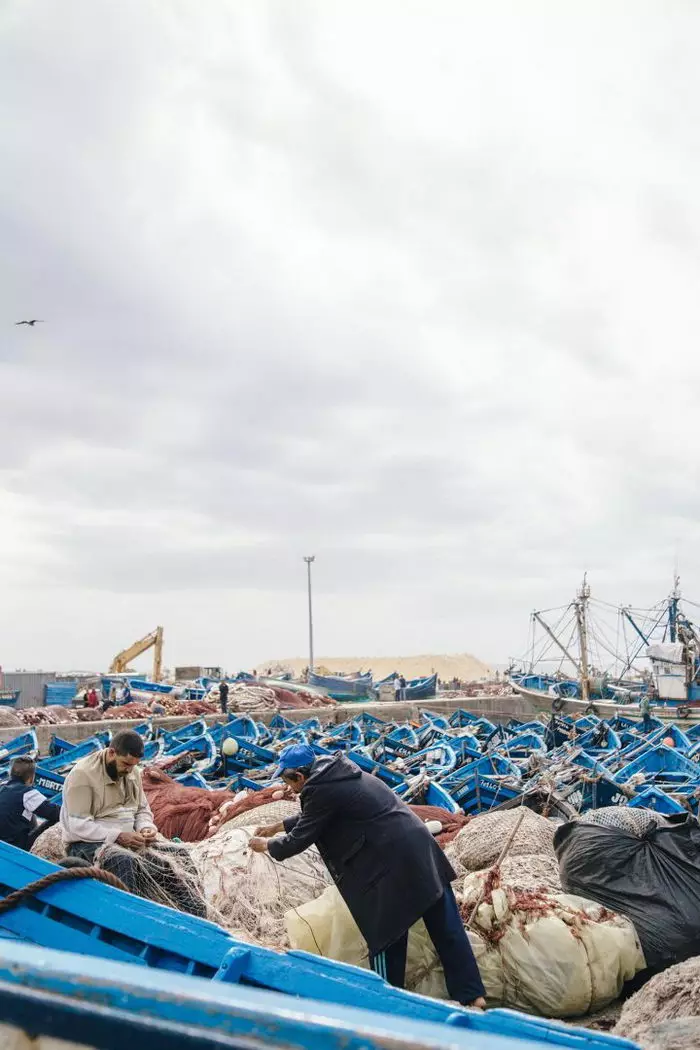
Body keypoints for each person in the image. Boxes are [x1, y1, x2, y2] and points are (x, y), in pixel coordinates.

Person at [250, 744, 486, 1008]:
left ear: (299, 776)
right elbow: (320, 815)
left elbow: (299, 839)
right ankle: (473, 996)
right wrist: (277, 826)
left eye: (288, 781)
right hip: (421, 852)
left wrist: (267, 846)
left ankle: (385, 1005)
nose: (290, 789)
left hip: (392, 866)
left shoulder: (320, 790)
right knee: (446, 928)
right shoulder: (339, 774)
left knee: (386, 938)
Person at [60, 730, 204, 915]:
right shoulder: (82, 775)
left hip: (126, 840)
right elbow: (78, 825)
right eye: (126, 764)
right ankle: (127, 917)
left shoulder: (133, 772)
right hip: (86, 843)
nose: (129, 770)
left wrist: (146, 828)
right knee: (123, 860)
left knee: (178, 854)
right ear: (111, 753)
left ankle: (197, 915)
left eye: (133, 765)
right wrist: (118, 836)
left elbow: (142, 810)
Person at [0, 757, 60, 851]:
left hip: (2, 842)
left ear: (10, 774)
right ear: (30, 778)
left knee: (27, 812)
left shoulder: (2, 787)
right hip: (17, 846)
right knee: (56, 817)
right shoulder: (27, 793)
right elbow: (55, 813)